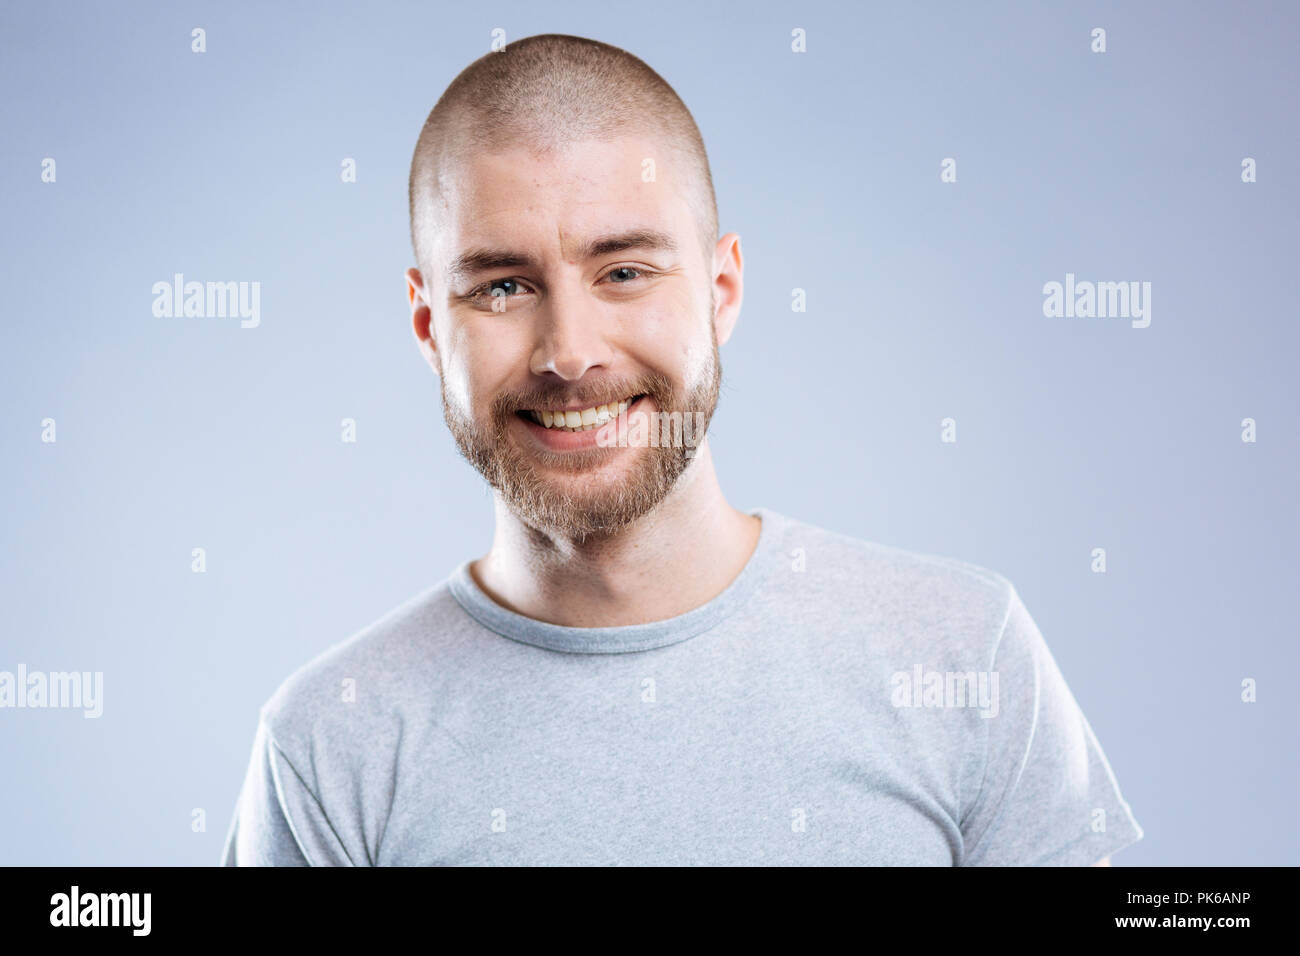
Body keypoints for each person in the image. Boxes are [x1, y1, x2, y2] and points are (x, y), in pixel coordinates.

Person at [221, 33, 1142, 866]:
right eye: (502, 287)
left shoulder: (962, 654)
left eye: (624, 272)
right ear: (428, 325)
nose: (568, 352)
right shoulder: (326, 748)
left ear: (722, 288)